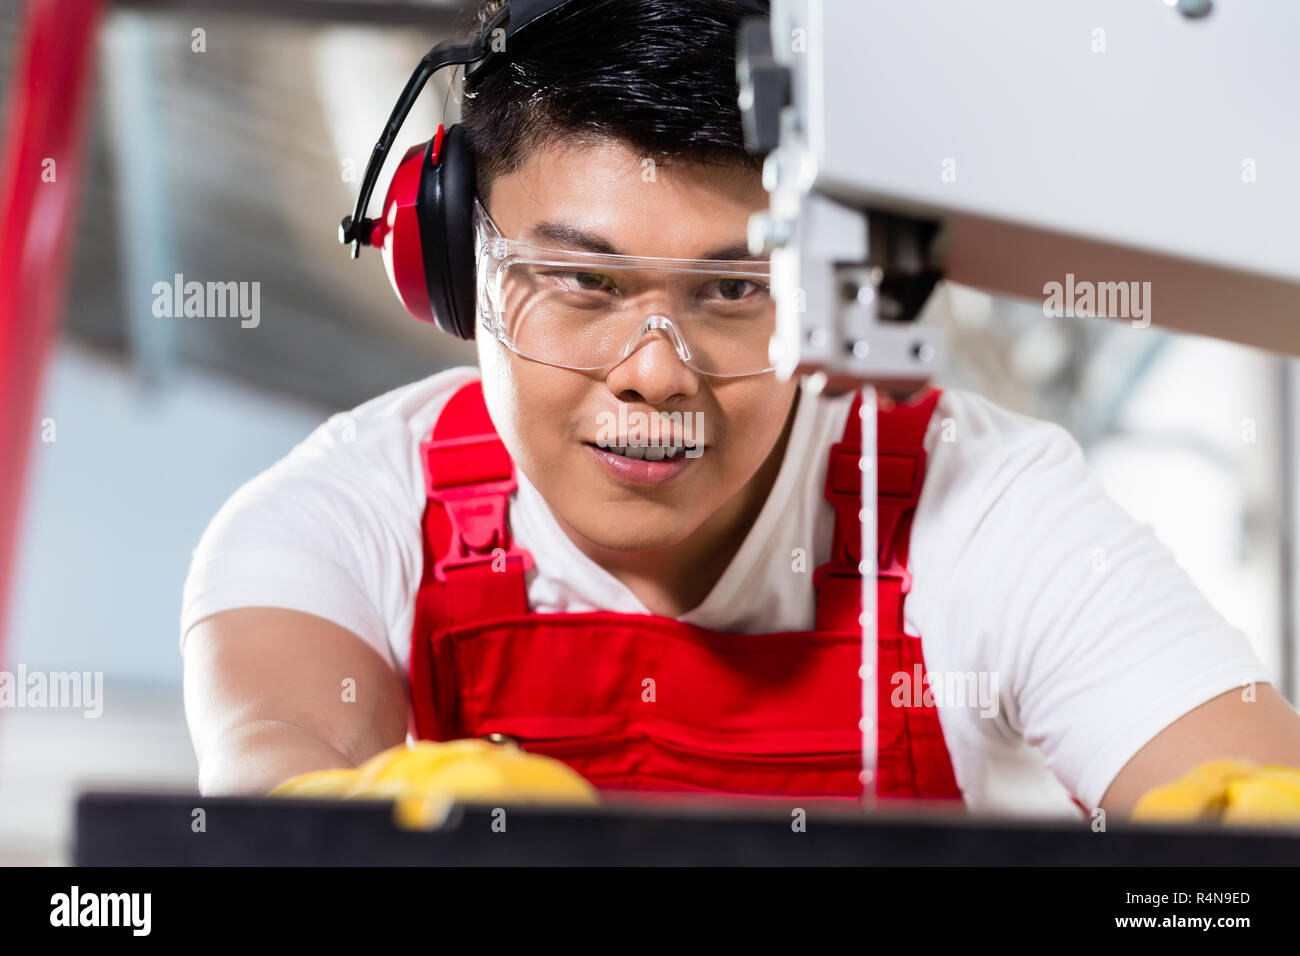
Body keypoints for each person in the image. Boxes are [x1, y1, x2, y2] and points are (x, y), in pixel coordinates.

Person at [180, 0, 1300, 818]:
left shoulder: (982, 502)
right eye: (584, 283)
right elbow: (277, 788)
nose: (656, 373)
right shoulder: (336, 523)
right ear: (448, 265)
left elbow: (1242, 805)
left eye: (732, 291)